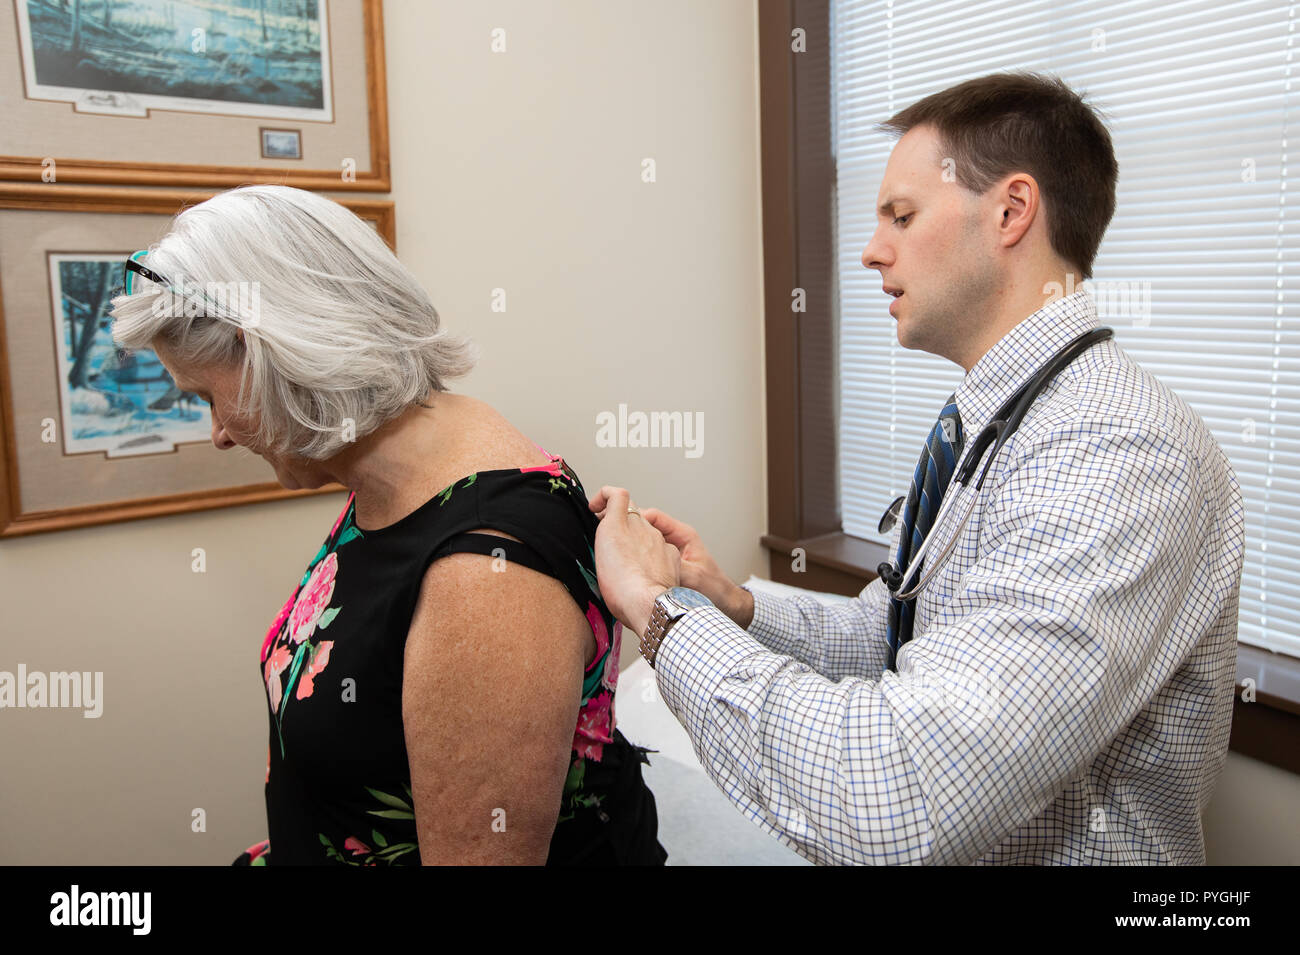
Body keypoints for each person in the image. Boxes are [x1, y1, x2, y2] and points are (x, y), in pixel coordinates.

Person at [588, 72, 1246, 865]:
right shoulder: (992, 417)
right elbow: (894, 634)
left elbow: (900, 798)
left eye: (902, 215)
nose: (872, 251)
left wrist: (659, 614)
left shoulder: (1117, 452)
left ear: (1010, 211)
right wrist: (728, 605)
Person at [109, 184, 667, 866]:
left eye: (208, 396)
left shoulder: (485, 574)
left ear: (273, 355)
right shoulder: (397, 477)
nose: (219, 432)